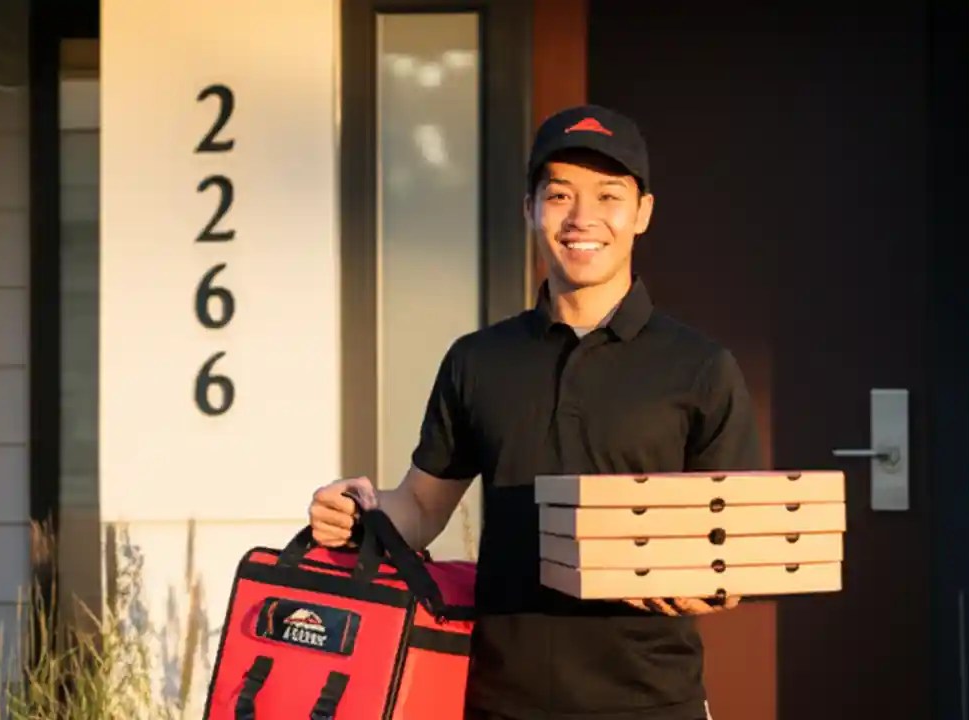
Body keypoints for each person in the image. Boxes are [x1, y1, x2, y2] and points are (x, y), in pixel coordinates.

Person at [307, 104, 764, 720]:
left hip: (653, 701)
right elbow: (420, 508)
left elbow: (733, 552)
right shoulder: (479, 360)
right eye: (559, 195)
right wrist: (360, 512)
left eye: (609, 196)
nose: (583, 219)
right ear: (530, 209)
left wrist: (702, 587)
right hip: (501, 699)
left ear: (643, 213)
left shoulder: (701, 368)